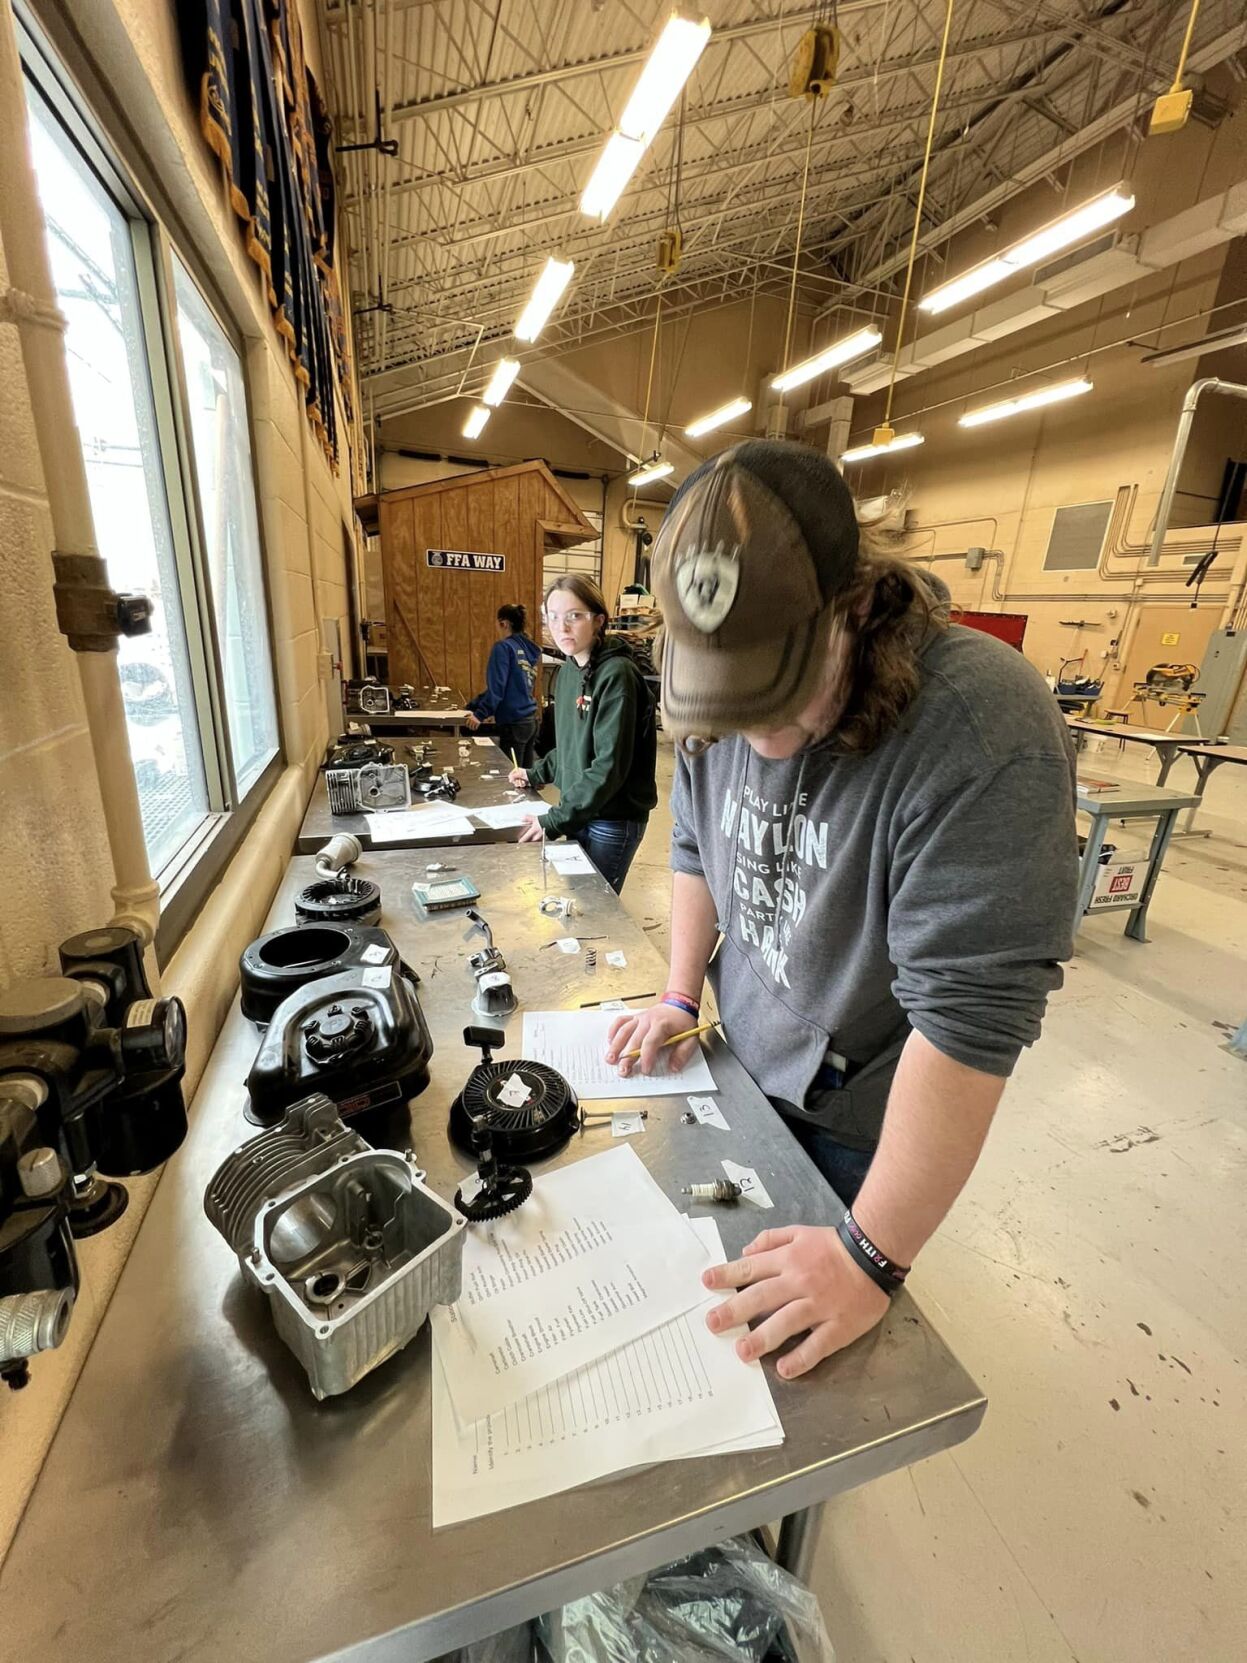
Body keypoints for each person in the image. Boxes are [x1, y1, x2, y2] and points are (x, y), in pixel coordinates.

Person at [604, 440, 1078, 1379]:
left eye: (778, 695)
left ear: (855, 605)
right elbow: (696, 842)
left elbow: (969, 1019)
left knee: (787, 1371)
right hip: (740, 1054)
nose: (755, 737)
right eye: (729, 705)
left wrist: (869, 1253)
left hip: (858, 1108)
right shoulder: (712, 675)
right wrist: (675, 994)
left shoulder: (980, 727)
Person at [509, 575, 657, 893]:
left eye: (574, 616)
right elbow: (572, 747)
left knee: (594, 907)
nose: (561, 627)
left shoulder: (617, 676)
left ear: (598, 620)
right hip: (582, 809)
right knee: (573, 897)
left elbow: (608, 766)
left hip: (612, 818)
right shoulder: (568, 671)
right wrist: (535, 773)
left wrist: (553, 820)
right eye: (553, 616)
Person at [464, 603, 542, 766]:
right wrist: (473, 706)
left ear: (504, 623)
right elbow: (510, 686)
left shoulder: (503, 648)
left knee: (512, 780)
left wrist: (481, 714)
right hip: (530, 721)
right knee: (525, 780)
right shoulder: (526, 649)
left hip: (514, 723)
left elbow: (498, 686)